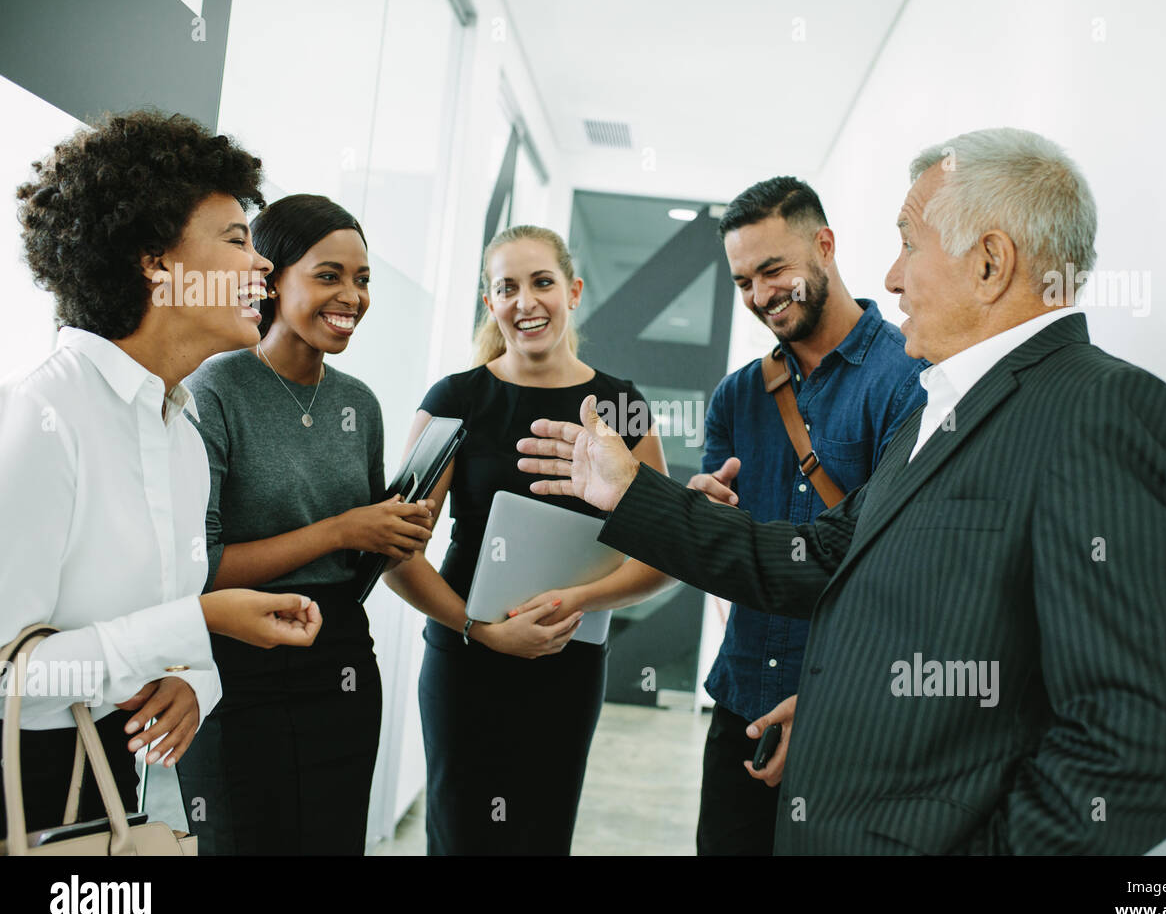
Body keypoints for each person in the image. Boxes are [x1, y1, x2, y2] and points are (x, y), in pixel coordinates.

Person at [518, 128, 1166, 855]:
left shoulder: (1099, 410)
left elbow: (1152, 738)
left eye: (909, 246)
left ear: (989, 262)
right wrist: (633, 492)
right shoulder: (943, 406)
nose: (891, 278)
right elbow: (825, 556)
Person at [1, 109, 323, 834]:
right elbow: (6, 680)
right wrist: (201, 620)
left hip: (107, 789)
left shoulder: (181, 432)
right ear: (156, 262)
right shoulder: (40, 416)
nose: (261, 264)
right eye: (237, 239)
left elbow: (162, 644)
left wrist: (194, 682)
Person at [383, 224, 674, 854]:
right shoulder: (457, 398)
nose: (525, 301)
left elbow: (665, 551)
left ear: (572, 290)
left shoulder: (620, 405)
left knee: (541, 836)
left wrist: (575, 603)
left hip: (567, 661)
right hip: (466, 657)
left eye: (541, 282)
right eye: (506, 288)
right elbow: (394, 551)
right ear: (491, 303)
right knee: (461, 835)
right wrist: (478, 629)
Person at [175, 194, 432, 855]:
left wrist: (390, 535)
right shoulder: (215, 389)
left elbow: (354, 564)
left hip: (340, 658)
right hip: (237, 656)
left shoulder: (359, 404)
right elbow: (199, 565)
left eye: (363, 278)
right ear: (271, 278)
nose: (352, 295)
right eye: (329, 275)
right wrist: (345, 529)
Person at [685, 176, 926, 855]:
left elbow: (903, 574)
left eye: (772, 270)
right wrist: (706, 515)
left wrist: (830, 708)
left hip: (850, 714)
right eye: (742, 282)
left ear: (824, 246)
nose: (759, 296)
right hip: (740, 704)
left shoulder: (909, 379)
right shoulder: (738, 396)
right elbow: (726, 559)